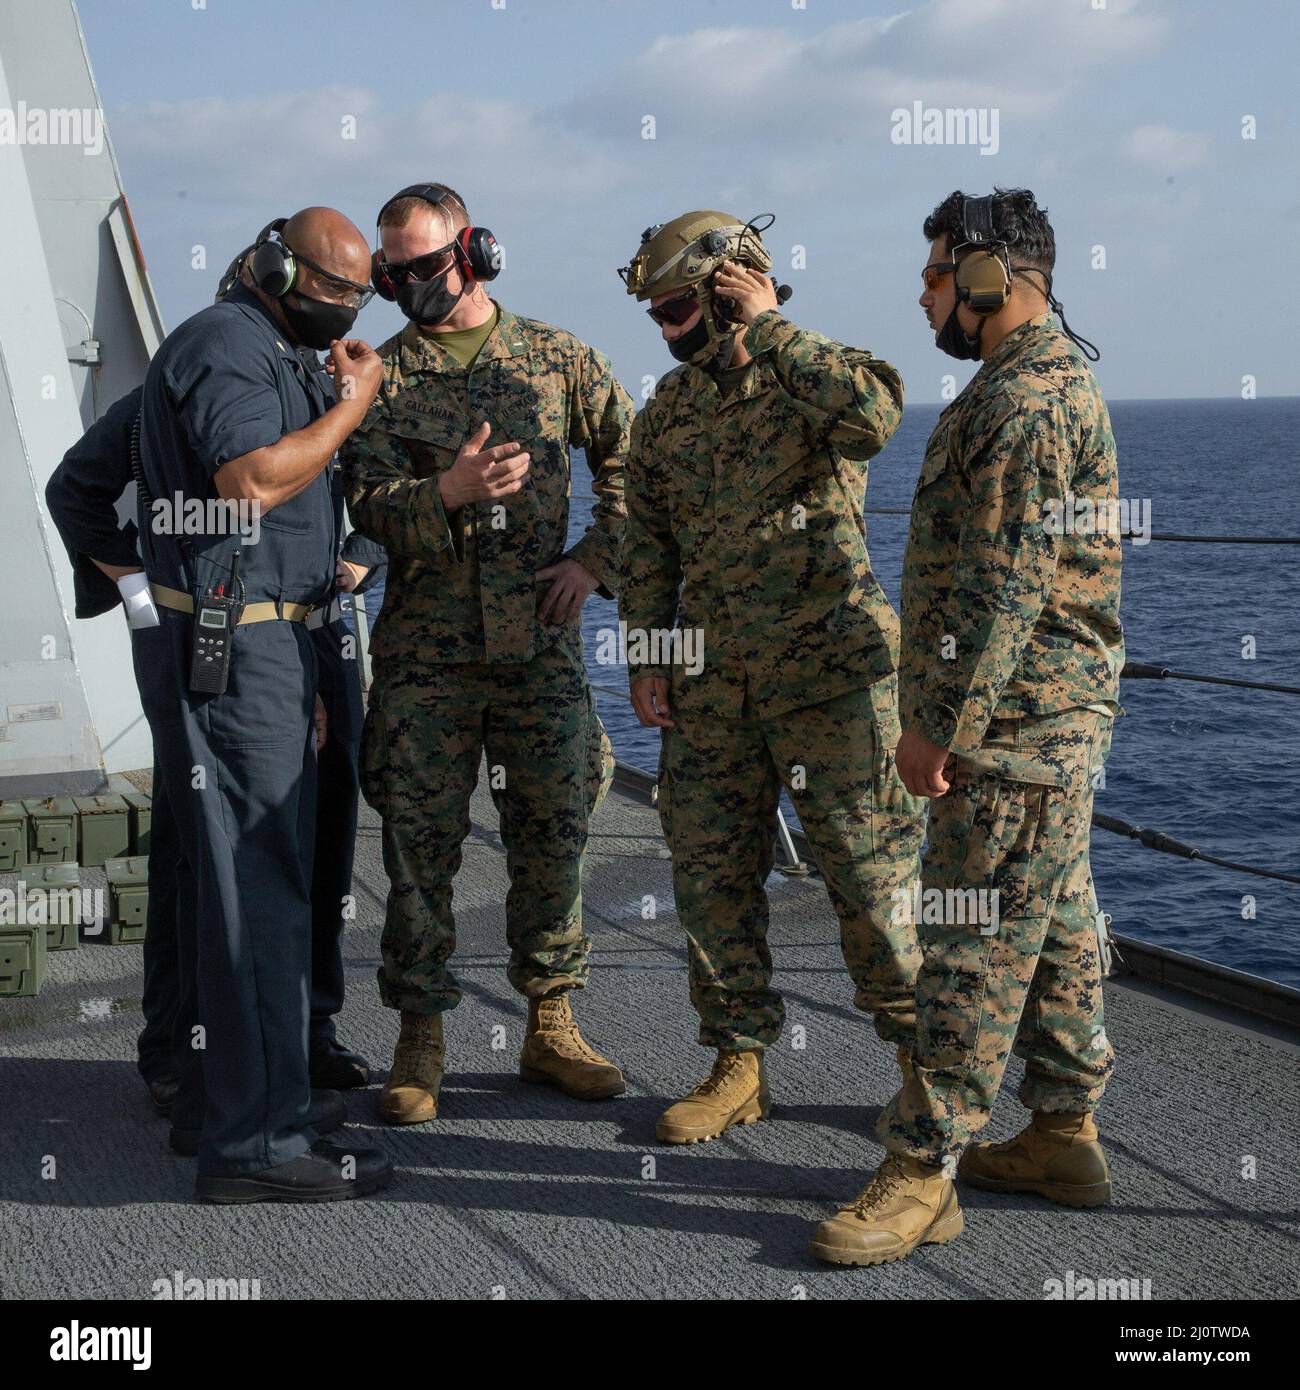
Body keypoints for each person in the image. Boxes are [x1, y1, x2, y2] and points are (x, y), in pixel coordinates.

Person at [809, 189, 1123, 1266]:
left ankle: (923, 1170)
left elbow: (1002, 588)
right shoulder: (1027, 381)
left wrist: (934, 731)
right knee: (1058, 920)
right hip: (1049, 721)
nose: (924, 292)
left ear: (992, 278)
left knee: (970, 940)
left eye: (940, 274)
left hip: (1009, 727)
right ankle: (1063, 1131)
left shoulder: (1026, 400)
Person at [617, 210, 926, 1145]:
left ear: (729, 286)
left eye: (680, 305)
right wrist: (648, 651)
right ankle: (738, 1064)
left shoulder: (812, 373)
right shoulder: (667, 410)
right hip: (713, 687)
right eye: (657, 312)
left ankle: (926, 1074)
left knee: (872, 885)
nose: (667, 326)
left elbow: (873, 419)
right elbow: (648, 542)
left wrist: (772, 324)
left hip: (830, 679)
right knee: (710, 877)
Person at [342, 182, 631, 1124]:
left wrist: (595, 558)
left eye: (426, 266)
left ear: (476, 250)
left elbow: (637, 462)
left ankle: (552, 1024)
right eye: (393, 276)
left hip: (539, 650)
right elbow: (365, 505)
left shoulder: (556, 358)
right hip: (427, 653)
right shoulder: (380, 375)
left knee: (554, 833)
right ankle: (419, 1036)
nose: (412, 287)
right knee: (420, 848)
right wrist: (450, 493)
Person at [126, 206, 393, 1201]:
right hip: (242, 645)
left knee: (235, 885)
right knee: (259, 892)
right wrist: (351, 406)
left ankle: (229, 1092)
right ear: (275, 267)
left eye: (357, 302)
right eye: (330, 296)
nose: (343, 315)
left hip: (266, 637)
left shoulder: (263, 346)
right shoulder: (225, 347)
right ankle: (257, 1145)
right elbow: (247, 484)